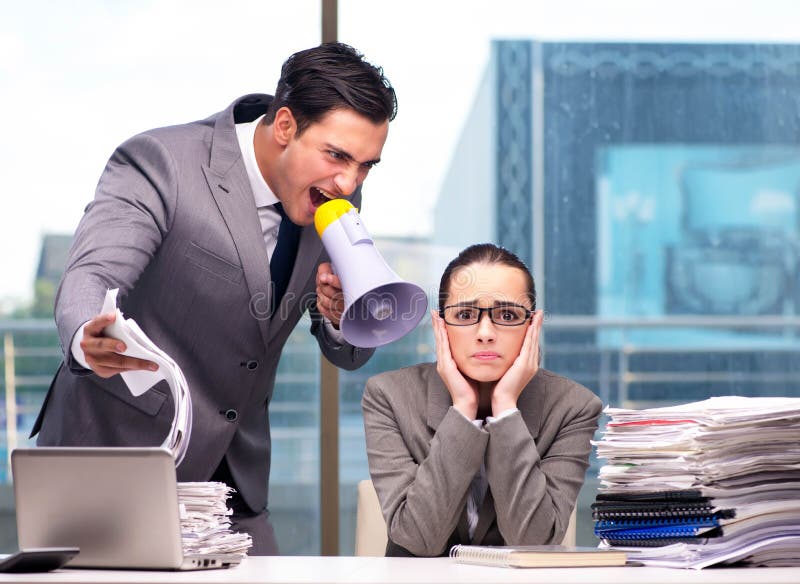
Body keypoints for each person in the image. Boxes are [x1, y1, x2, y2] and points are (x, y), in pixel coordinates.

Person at [31, 42, 397, 555]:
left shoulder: (336, 193)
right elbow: (92, 273)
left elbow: (350, 353)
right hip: (119, 460)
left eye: (366, 165)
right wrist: (86, 335)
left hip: (233, 485)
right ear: (285, 125)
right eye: (337, 155)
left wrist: (339, 316)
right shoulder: (163, 162)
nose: (349, 181)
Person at [362, 243, 602, 557]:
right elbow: (418, 540)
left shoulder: (573, 407)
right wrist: (463, 409)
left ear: (532, 325)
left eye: (507, 315)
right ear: (440, 326)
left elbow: (533, 541)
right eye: (465, 315)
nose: (485, 333)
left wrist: (506, 409)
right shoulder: (389, 396)